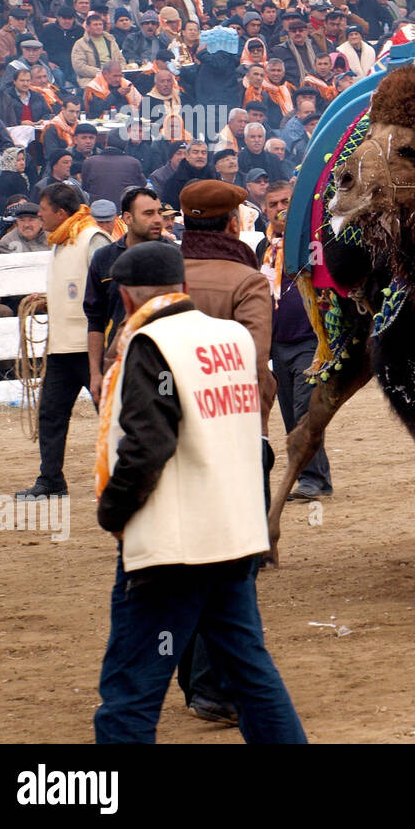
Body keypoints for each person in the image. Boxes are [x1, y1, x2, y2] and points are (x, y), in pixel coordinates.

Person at [91, 241, 306, 744]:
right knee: (252, 675)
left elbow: (148, 446)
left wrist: (113, 510)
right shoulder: (230, 338)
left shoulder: (148, 346)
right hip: (233, 533)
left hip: (174, 545)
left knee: (130, 690)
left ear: (125, 300)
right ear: (182, 288)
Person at [175, 178, 277, 723]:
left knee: (184, 561)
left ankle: (196, 684)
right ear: (233, 223)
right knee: (234, 566)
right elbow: (251, 356)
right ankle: (217, 686)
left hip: (171, 436)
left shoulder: (161, 277)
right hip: (233, 434)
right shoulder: (246, 279)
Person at [17, 183, 112, 499]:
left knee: (110, 413)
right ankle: (51, 478)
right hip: (62, 346)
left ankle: (123, 474)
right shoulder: (61, 241)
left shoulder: (92, 239)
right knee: (51, 413)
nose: (39, 214)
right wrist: (48, 301)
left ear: (60, 212)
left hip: (91, 346)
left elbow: (108, 290)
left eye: (43, 209)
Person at [262, 179, 333, 500]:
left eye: (285, 202)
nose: (280, 209)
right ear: (265, 210)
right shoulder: (261, 249)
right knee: (291, 414)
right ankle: (311, 477)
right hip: (277, 344)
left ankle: (313, 480)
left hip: (310, 339)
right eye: (273, 204)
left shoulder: (312, 240)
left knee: (306, 412)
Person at [85, 187, 167, 403]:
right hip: (119, 362)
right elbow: (95, 320)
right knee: (124, 429)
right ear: (127, 218)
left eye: (159, 212)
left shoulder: (175, 257)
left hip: (167, 365)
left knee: (166, 420)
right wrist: (95, 373)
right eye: (148, 214)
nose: (158, 219)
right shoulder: (103, 259)